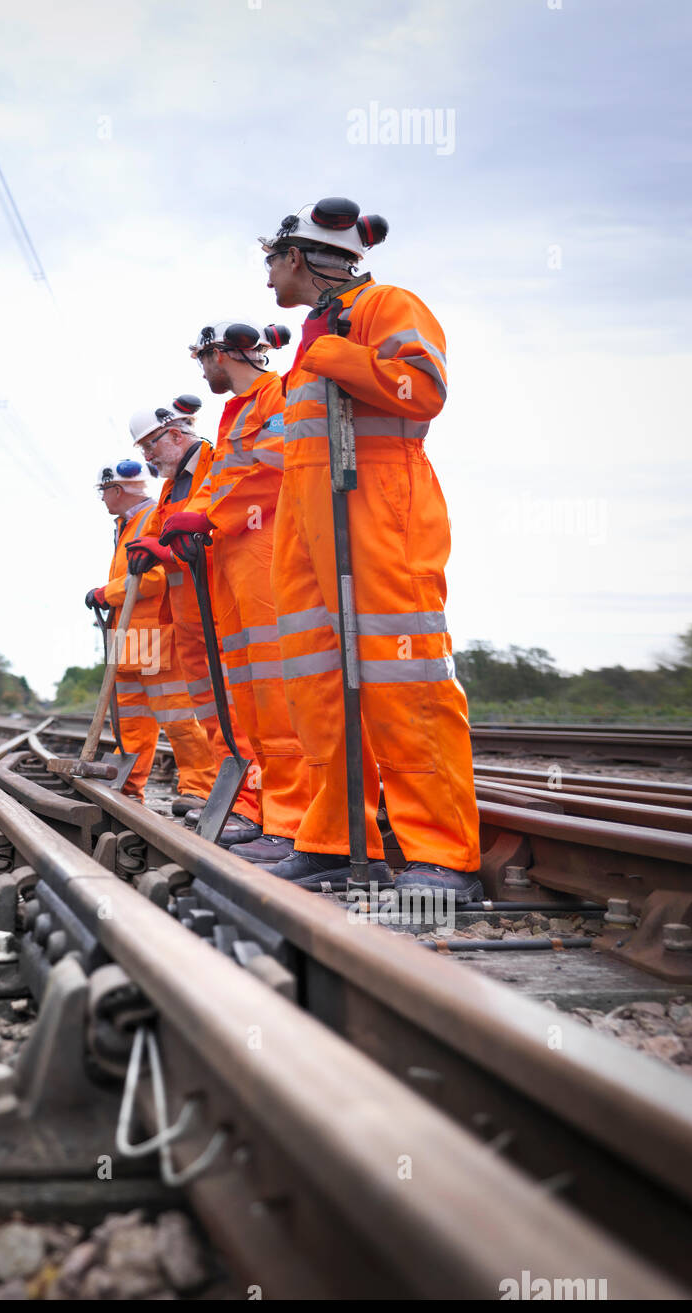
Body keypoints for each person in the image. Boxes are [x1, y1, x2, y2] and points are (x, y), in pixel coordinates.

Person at [258, 197, 481, 898]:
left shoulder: (384, 304)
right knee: (318, 687)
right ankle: (333, 839)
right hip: (308, 522)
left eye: (271, 261)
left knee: (402, 678)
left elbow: (424, 388)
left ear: (296, 256)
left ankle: (442, 855)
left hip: (379, 511)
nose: (267, 279)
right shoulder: (309, 344)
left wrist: (337, 353)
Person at [156, 321, 313, 864]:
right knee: (248, 695)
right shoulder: (236, 413)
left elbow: (273, 469)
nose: (202, 370)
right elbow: (228, 482)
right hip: (233, 561)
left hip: (264, 554)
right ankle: (266, 812)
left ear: (224, 354)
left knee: (277, 694)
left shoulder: (274, 396)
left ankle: (289, 821)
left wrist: (208, 515)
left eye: (204, 358)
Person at [126, 398, 264, 845]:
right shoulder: (170, 486)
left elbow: (221, 520)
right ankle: (231, 797)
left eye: (151, 445)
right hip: (187, 611)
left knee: (235, 707)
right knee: (211, 711)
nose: (147, 457)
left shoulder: (210, 461)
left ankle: (251, 802)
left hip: (216, 602)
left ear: (176, 434)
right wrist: (161, 550)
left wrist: (170, 549)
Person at [86, 462, 215, 801]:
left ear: (117, 490)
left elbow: (155, 576)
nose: (102, 499)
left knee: (178, 718)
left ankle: (200, 789)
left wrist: (105, 594)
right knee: (128, 723)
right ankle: (127, 788)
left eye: (104, 492)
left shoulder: (151, 518)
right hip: (125, 637)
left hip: (151, 634)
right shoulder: (125, 525)